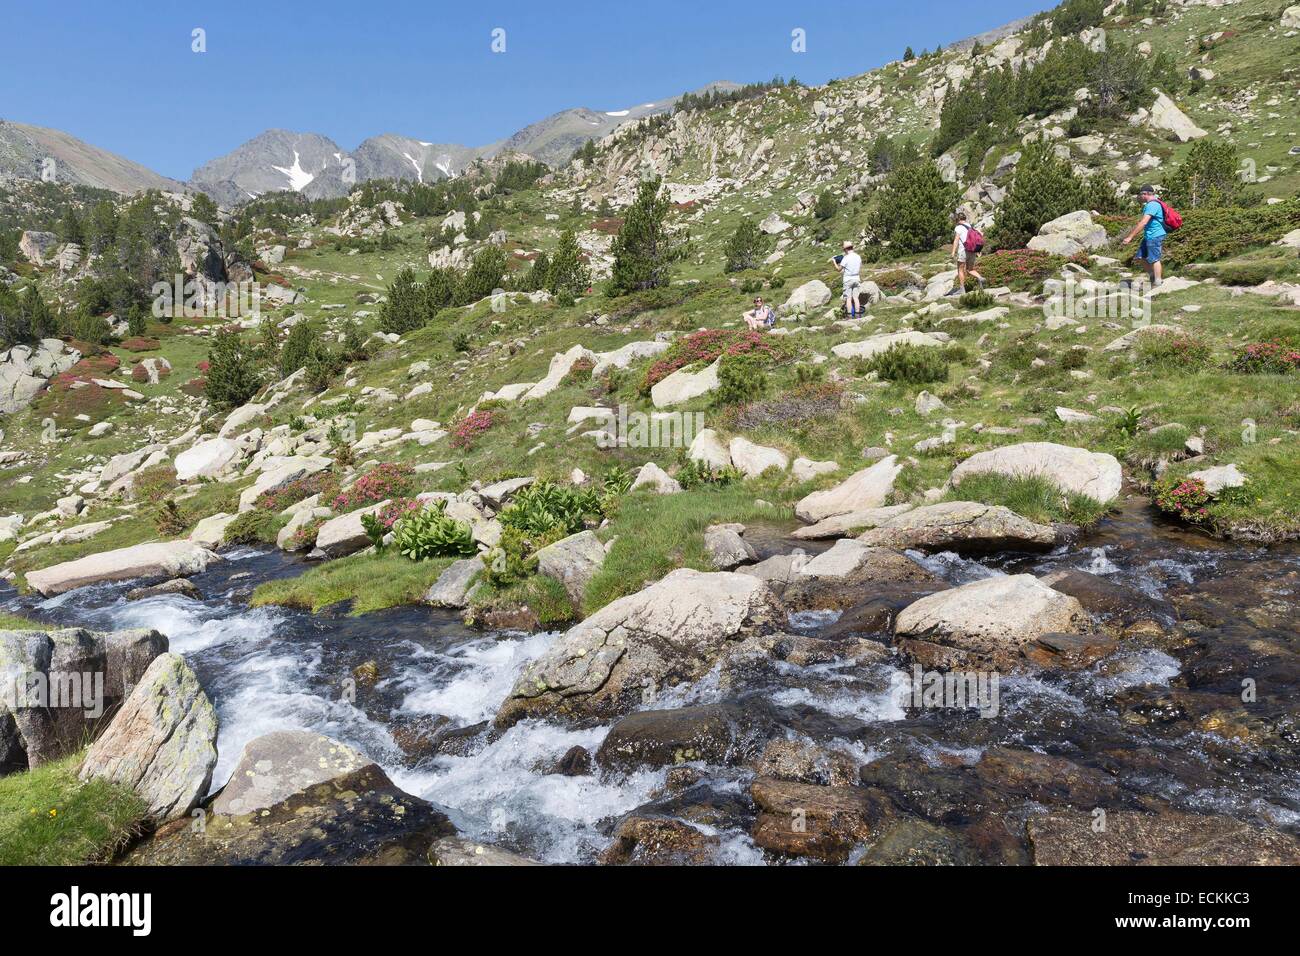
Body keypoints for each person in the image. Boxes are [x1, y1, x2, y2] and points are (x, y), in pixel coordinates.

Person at [1120, 185, 1166, 288]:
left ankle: (1158, 282)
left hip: (1155, 234)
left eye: (1141, 194)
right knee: (1141, 257)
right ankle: (1153, 277)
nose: (1140, 197)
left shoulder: (1153, 205)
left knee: (1154, 259)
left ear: (1145, 194)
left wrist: (1130, 237)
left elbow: (1143, 222)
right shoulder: (1151, 204)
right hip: (1149, 235)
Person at [949, 210, 984, 295]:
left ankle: (962, 290)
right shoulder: (970, 226)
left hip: (963, 251)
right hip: (972, 251)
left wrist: (953, 252)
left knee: (960, 270)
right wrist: (978, 251)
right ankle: (980, 278)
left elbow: (956, 240)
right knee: (970, 269)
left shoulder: (958, 228)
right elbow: (979, 236)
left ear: (958, 220)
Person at [832, 241, 863, 317]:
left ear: (845, 249)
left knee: (848, 299)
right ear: (852, 247)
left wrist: (834, 262)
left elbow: (839, 269)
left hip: (848, 279)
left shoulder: (846, 258)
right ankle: (858, 315)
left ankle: (849, 316)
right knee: (856, 298)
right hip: (857, 278)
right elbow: (859, 266)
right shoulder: (858, 256)